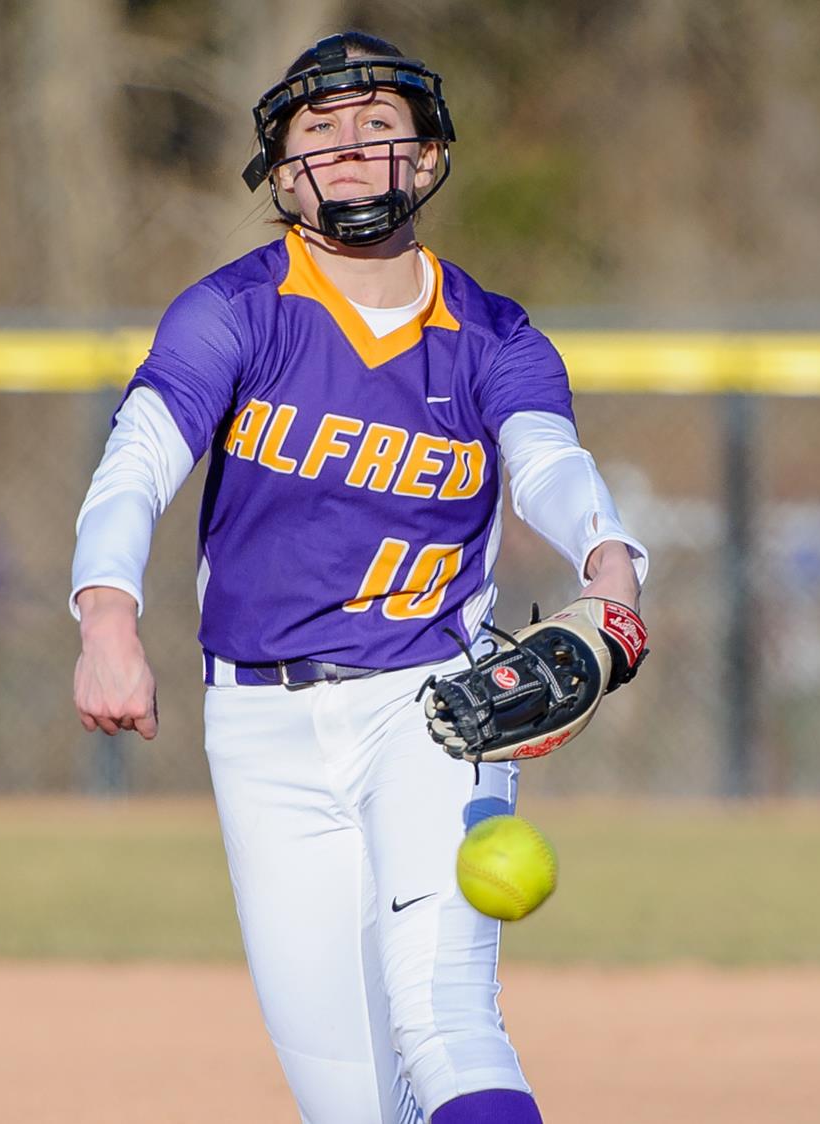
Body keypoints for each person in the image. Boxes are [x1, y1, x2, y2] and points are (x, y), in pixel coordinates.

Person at [70, 31, 648, 1124]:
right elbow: (135, 463)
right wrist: (106, 611)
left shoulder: (490, 333)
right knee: (351, 1106)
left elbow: (550, 466)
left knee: (444, 1023)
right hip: (258, 727)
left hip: (430, 706)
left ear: (426, 154)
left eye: (375, 123)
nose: (346, 147)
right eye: (317, 129)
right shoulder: (234, 309)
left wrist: (609, 562)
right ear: (280, 168)